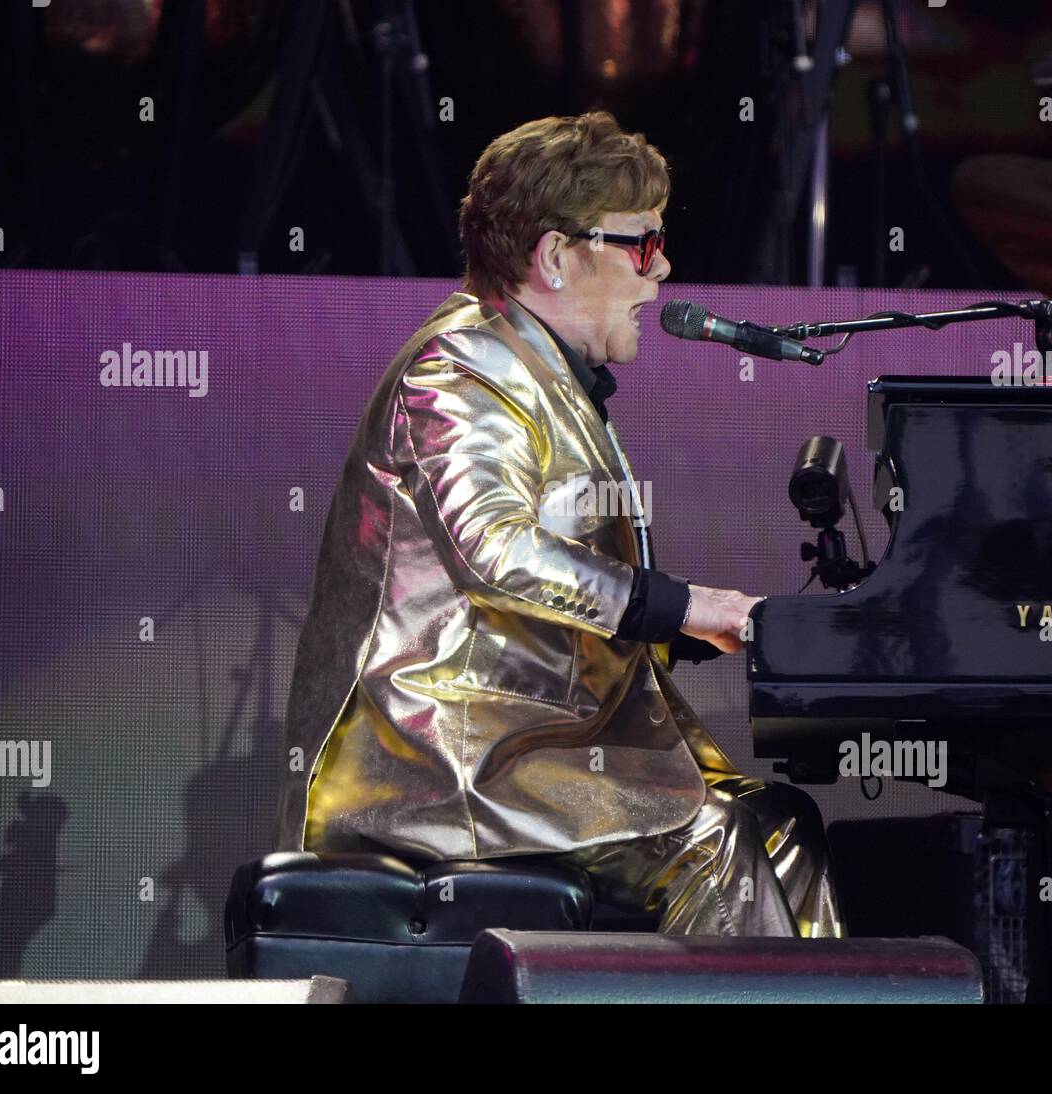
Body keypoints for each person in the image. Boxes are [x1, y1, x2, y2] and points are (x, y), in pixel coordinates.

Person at [274, 111, 842, 938]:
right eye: (641, 244)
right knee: (714, 846)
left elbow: (546, 604)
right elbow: (496, 550)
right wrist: (681, 606)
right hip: (442, 762)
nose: (662, 269)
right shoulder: (464, 366)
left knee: (783, 825)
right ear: (553, 256)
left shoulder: (533, 366)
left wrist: (688, 630)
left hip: (528, 744)